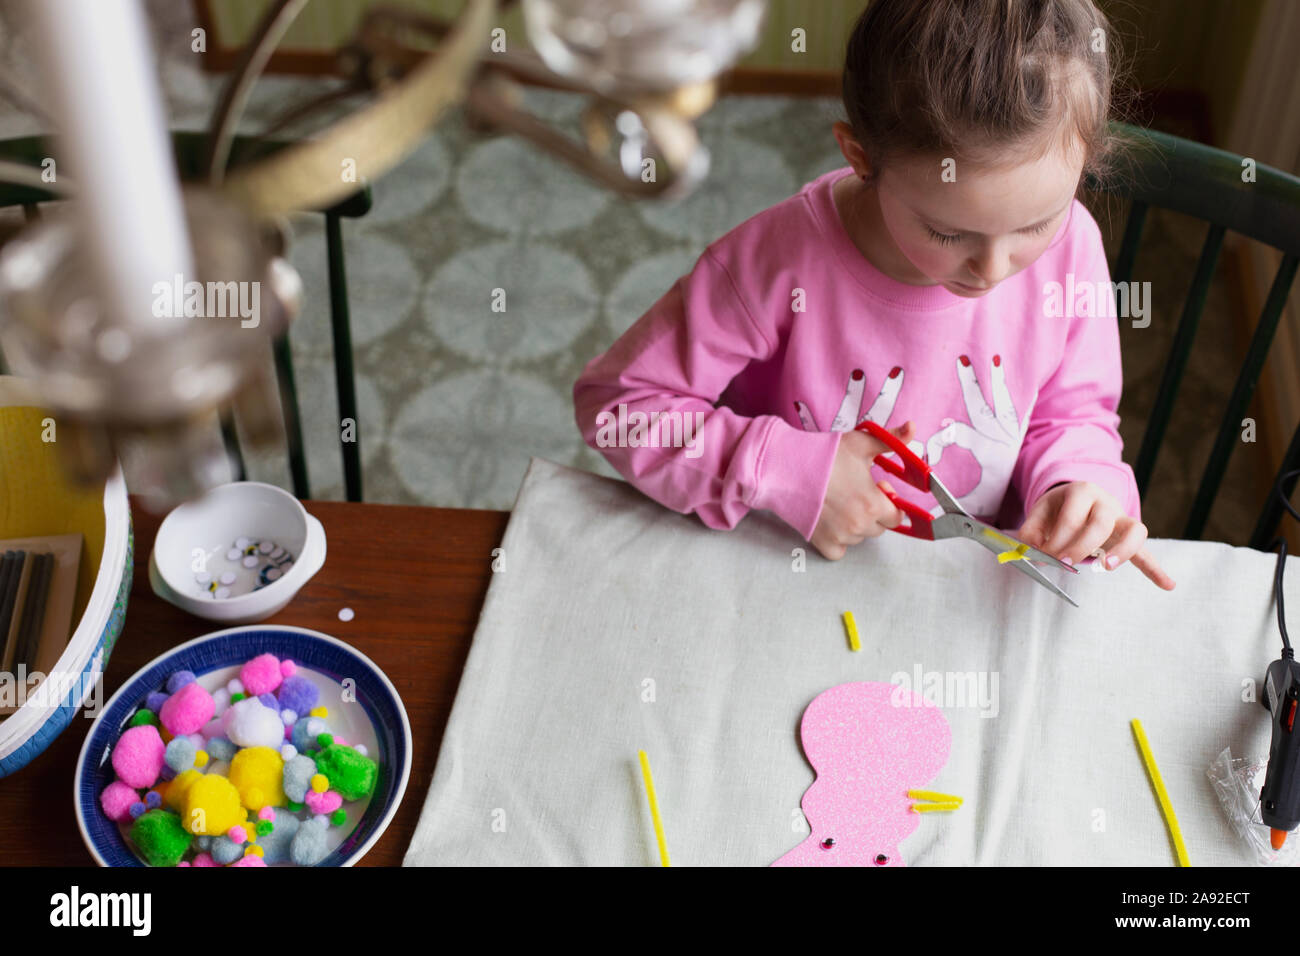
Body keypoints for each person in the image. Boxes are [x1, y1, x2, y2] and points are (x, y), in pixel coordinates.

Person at [573, 0, 1175, 591]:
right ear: (861, 158)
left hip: (966, 591)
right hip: (788, 572)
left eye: (1036, 224)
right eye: (946, 231)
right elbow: (618, 410)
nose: (993, 269)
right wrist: (782, 469)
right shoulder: (774, 263)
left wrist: (1080, 485)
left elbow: (1074, 415)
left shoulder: (1075, 247)